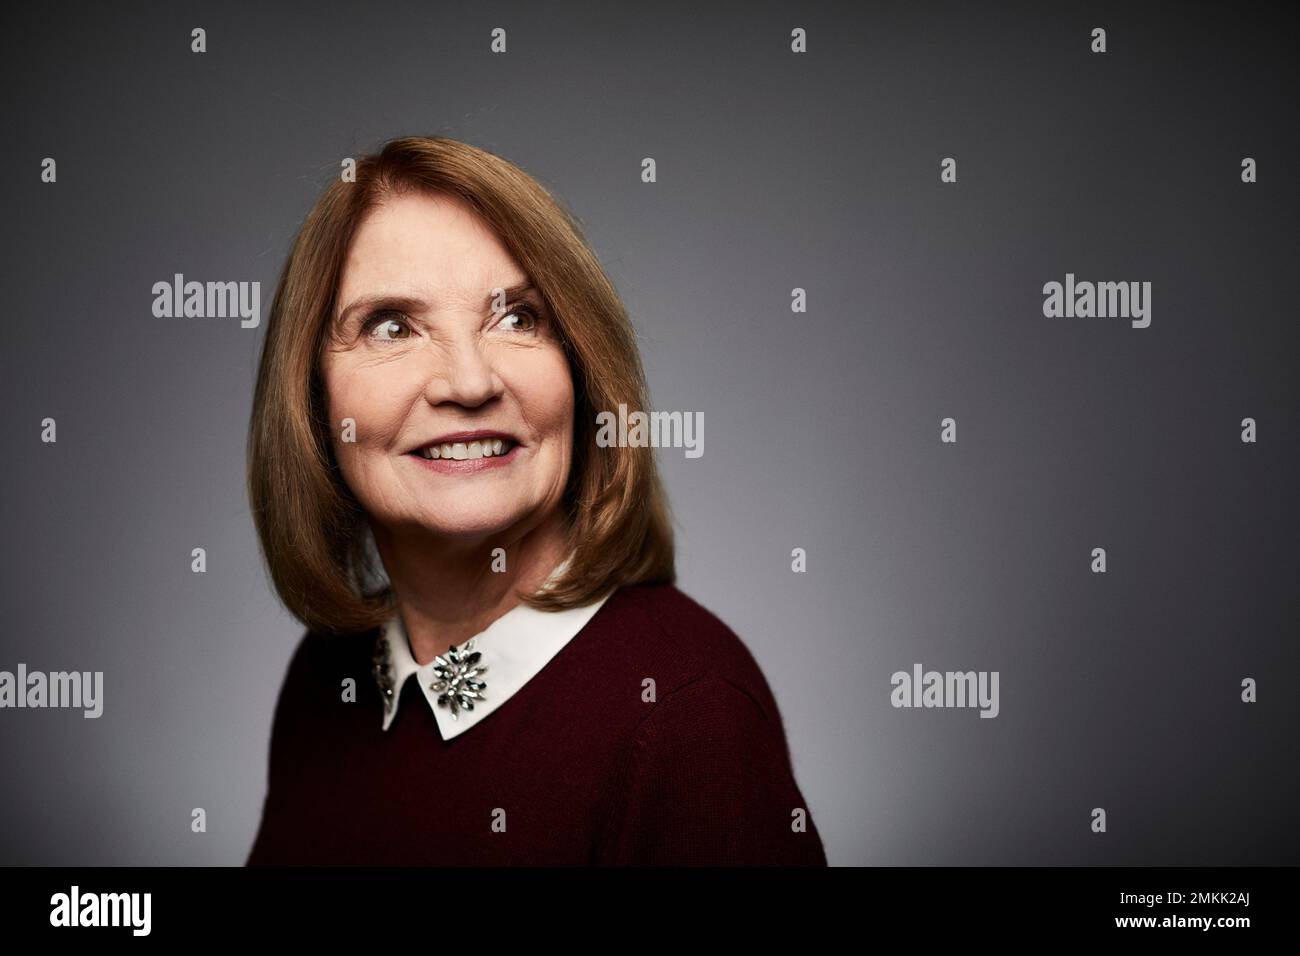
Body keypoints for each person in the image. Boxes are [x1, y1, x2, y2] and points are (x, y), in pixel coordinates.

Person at [244, 136, 826, 865]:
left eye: (518, 317)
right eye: (392, 326)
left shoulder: (685, 714)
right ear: (311, 397)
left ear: (582, 371)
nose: (467, 381)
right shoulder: (326, 681)